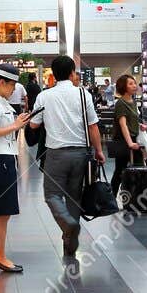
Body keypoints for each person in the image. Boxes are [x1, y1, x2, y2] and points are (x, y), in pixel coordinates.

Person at [28, 54, 103, 266]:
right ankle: (69, 243)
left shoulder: (45, 96)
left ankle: (68, 224)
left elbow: (34, 125)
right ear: (72, 73)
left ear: (53, 74)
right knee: (74, 197)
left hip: (56, 154)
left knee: (52, 195)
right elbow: (93, 126)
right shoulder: (83, 94)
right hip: (81, 153)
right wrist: (99, 151)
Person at [0, 66, 33, 273]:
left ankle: (0, 255)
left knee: (5, 212)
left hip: (7, 158)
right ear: (2, 83)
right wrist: (16, 125)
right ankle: (0, 256)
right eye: (12, 85)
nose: (14, 90)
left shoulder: (1, 102)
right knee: (3, 212)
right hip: (1, 159)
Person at [108, 73, 144, 201]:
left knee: (139, 168)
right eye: (131, 83)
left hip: (133, 139)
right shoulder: (121, 103)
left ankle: (139, 198)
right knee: (120, 171)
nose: (134, 85)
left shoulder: (132, 101)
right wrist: (129, 143)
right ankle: (112, 198)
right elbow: (123, 125)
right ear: (123, 86)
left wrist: (140, 126)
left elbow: (131, 121)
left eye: (134, 83)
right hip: (123, 141)